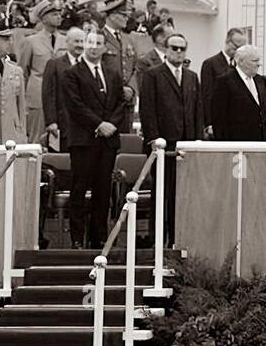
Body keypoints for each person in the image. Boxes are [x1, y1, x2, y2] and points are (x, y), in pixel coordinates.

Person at [60, 28, 129, 247]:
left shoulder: (112, 73)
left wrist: (110, 125)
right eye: (90, 42)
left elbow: (120, 102)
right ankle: (77, 239)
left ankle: (99, 238)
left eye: (98, 43)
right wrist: (98, 124)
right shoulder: (72, 73)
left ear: (105, 48)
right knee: (80, 188)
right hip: (83, 139)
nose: (93, 46)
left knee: (103, 190)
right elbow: (75, 105)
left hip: (107, 141)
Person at [139, 31, 202, 239]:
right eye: (174, 48)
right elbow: (148, 110)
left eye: (181, 48)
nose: (178, 52)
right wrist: (154, 141)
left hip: (185, 145)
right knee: (162, 194)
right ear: (166, 50)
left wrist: (197, 140)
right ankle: (156, 239)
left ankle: (177, 238)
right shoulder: (153, 74)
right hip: (163, 145)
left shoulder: (192, 76)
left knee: (181, 195)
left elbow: (197, 110)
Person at [17, 0, 65, 145]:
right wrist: (22, 101)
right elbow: (22, 71)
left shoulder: (65, 40)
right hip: (37, 96)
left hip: (62, 95)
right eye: (53, 14)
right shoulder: (31, 41)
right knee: (36, 138)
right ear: (43, 18)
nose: (58, 17)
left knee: (60, 140)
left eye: (59, 14)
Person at [209, 43, 266, 142]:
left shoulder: (261, 81)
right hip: (238, 145)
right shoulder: (224, 82)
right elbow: (219, 120)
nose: (259, 64)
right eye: (254, 61)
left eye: (259, 60)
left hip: (262, 144)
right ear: (241, 61)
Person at [41, 26, 86, 153]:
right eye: (76, 41)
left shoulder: (89, 65)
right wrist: (51, 121)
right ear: (67, 43)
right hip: (62, 124)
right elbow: (48, 95)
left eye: (82, 42)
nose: (80, 45)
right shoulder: (54, 64)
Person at [200, 28, 247, 137]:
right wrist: (209, 123)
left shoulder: (241, 66)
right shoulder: (210, 64)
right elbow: (206, 95)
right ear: (228, 42)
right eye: (237, 47)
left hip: (236, 124)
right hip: (218, 121)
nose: (239, 51)